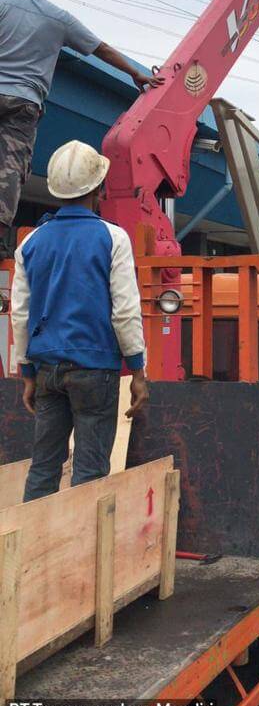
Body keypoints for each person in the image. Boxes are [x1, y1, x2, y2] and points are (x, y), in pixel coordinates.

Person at [11, 140, 148, 501]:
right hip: (95, 371)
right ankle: (83, 538)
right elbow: (125, 310)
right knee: (90, 474)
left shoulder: (31, 243)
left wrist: (27, 373)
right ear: (99, 187)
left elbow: (20, 314)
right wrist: (137, 371)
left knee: (44, 468)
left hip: (46, 370)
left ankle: (34, 537)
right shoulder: (113, 238)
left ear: (55, 190)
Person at [0, 0, 163, 255]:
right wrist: (135, 74)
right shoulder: (58, 17)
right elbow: (101, 49)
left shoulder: (2, 6)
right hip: (24, 101)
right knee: (10, 167)